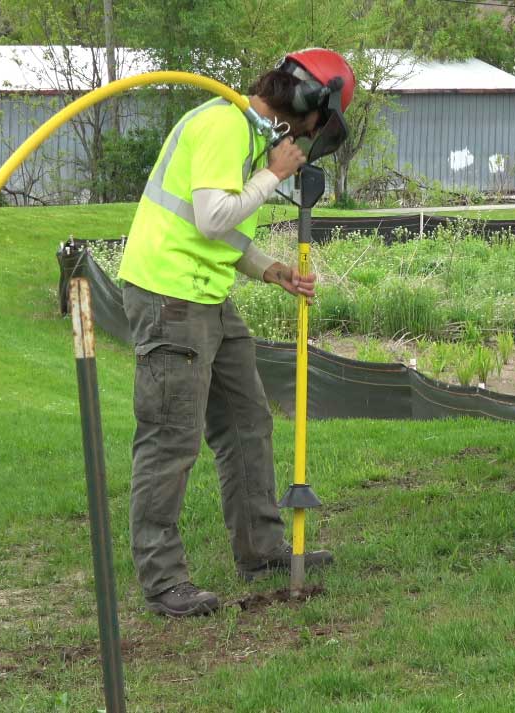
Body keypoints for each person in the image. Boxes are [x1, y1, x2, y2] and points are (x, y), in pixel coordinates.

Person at [116, 49, 356, 617]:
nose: (311, 135)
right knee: (170, 439)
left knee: (247, 422)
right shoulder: (225, 124)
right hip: (170, 297)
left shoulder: (244, 132)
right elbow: (210, 217)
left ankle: (261, 549)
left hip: (206, 295)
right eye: (318, 121)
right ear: (305, 100)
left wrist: (270, 269)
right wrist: (274, 175)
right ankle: (163, 580)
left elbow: (222, 232)